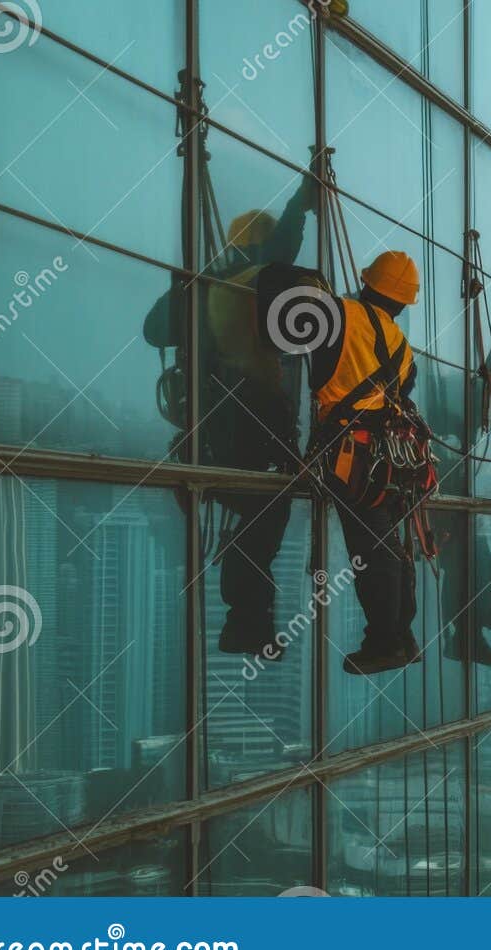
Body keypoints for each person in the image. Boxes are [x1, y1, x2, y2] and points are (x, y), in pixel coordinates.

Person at [141, 180, 314, 661]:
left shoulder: (206, 286)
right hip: (248, 430)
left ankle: (248, 623)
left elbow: (154, 330)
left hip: (208, 435)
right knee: (267, 515)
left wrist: (183, 290)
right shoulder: (254, 280)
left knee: (261, 519)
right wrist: (300, 200)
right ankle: (246, 623)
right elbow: (280, 252)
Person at [307, 250, 434, 676]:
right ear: (402, 304)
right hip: (387, 458)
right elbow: (403, 389)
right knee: (390, 546)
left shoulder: (338, 313)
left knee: (375, 547)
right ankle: (400, 635)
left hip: (352, 454)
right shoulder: (401, 347)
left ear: (366, 283)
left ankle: (387, 639)